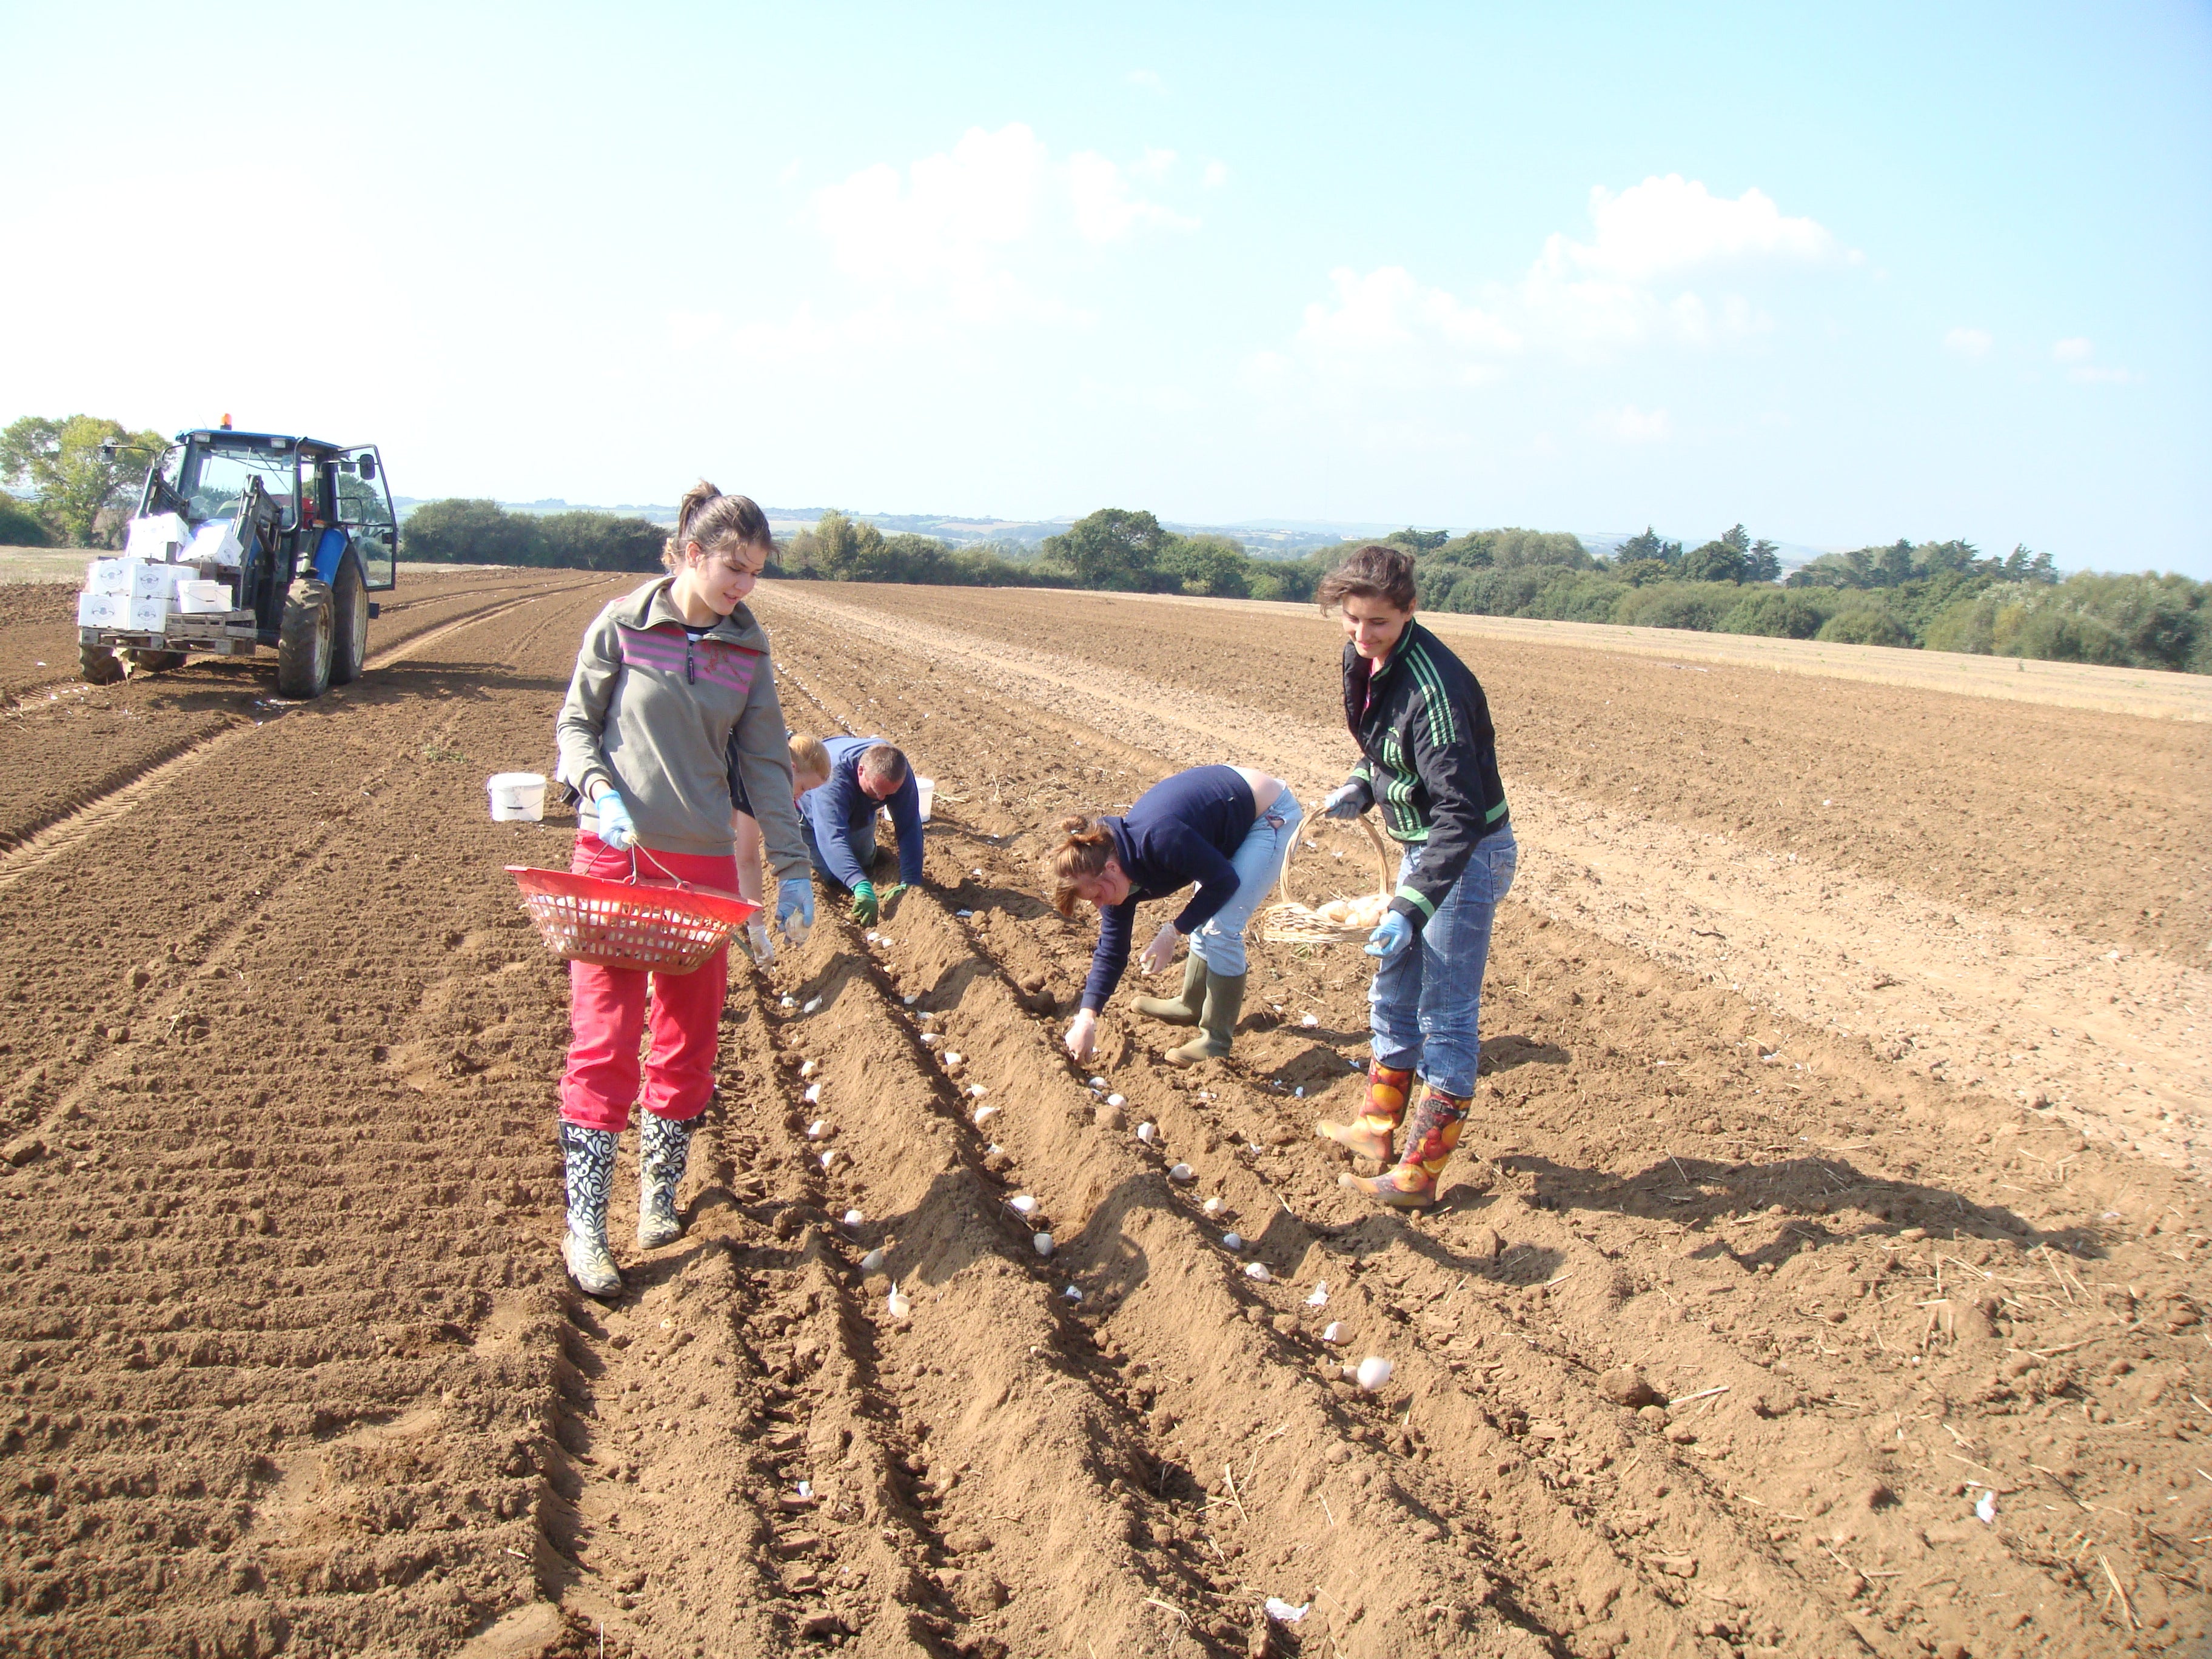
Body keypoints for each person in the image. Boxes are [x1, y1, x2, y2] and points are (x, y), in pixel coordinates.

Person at [551, 482, 814, 1297]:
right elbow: (575, 726)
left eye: (757, 572)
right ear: (693, 554)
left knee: (689, 1037)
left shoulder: (747, 647)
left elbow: (766, 761)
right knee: (605, 1038)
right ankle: (585, 1228)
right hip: (617, 857)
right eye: (734, 567)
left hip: (702, 864)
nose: (744, 584)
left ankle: (657, 1197)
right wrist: (597, 789)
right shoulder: (624, 624)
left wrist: (792, 866)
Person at [1310, 543, 1518, 1208]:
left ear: (1410, 611)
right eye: (1352, 619)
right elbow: (1381, 748)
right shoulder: (1365, 659)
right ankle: (1376, 1129)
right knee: (1393, 992)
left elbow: (1459, 814)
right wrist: (1360, 783)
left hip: (1466, 856)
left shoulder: (1436, 692)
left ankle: (1419, 1176)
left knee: (1446, 1016)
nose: (1362, 634)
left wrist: (1410, 907)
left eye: (1378, 622)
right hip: (1421, 847)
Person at [1050, 765, 1303, 1067]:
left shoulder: (1161, 840)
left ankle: (1216, 1040)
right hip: (1227, 817)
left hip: (1270, 814)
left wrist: (1173, 932)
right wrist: (1086, 1019)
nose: (1098, 906)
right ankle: (1191, 1004)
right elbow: (1111, 952)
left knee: (1221, 925)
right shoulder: (1113, 868)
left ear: (1111, 870)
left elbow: (1224, 882)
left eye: (1095, 897)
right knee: (1204, 912)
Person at [728, 731, 831, 962]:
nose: (800, 796)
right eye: (803, 787)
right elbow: (747, 861)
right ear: (792, 768)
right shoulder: (757, 778)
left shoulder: (755, 751)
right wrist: (757, 929)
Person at [799, 736, 925, 925]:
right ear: (861, 771)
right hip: (809, 815)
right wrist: (859, 884)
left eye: (889, 794)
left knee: (864, 863)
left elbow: (909, 825)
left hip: (859, 806)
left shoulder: (899, 771)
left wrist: (911, 879)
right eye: (877, 791)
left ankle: (868, 852)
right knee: (828, 876)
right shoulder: (832, 778)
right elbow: (832, 837)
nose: (882, 798)